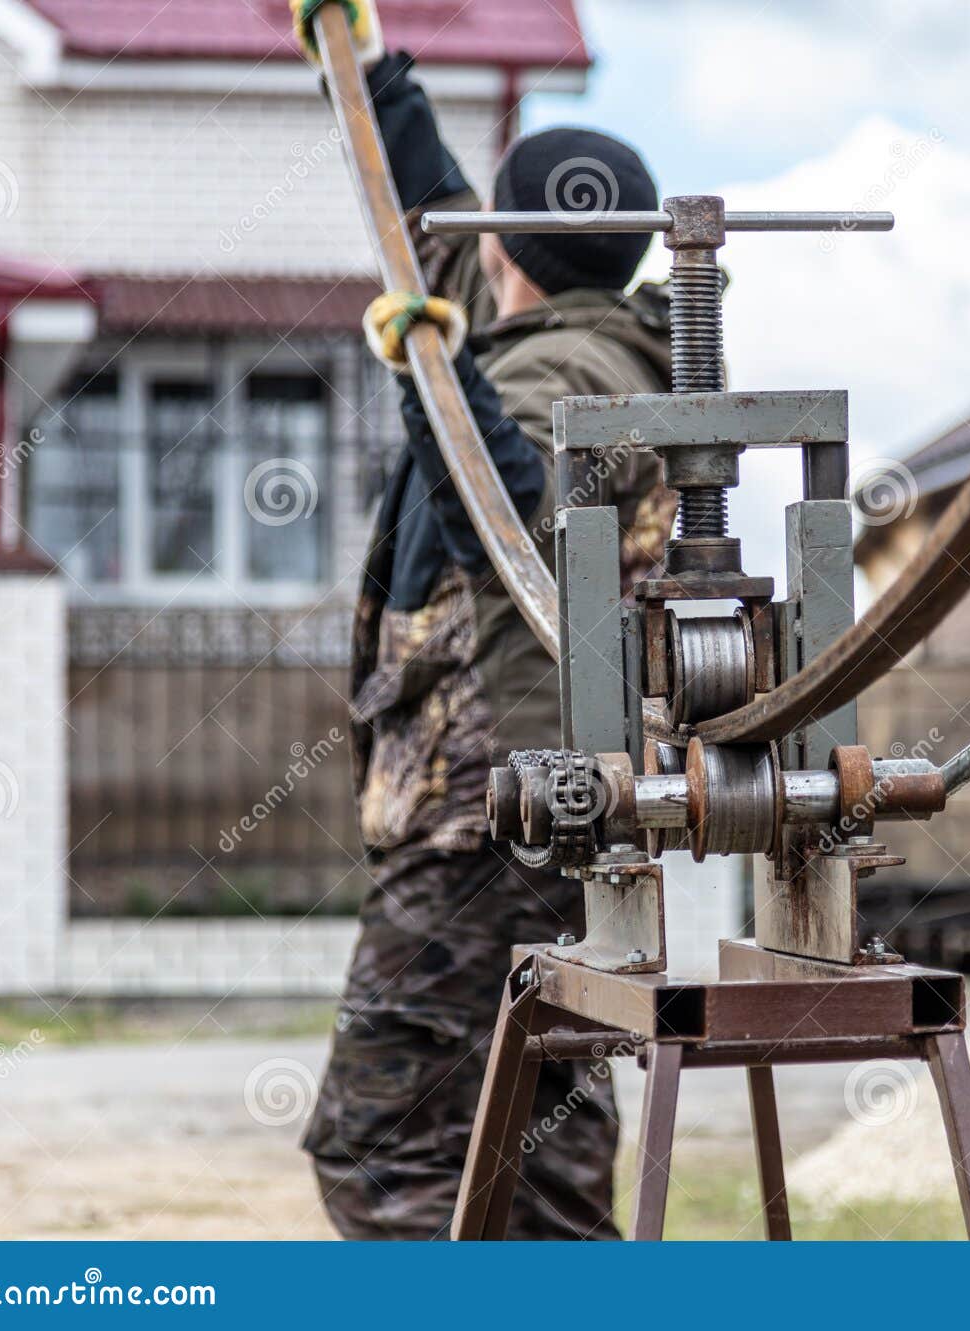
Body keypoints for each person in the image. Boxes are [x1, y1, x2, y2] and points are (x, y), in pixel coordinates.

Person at [290, 1, 676, 1240]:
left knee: (381, 1137)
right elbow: (429, 218)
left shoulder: (559, 377)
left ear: (510, 252)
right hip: (529, 814)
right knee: (541, 1162)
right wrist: (367, 63)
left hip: (484, 823)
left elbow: (510, 518)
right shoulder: (554, 326)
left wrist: (432, 381)